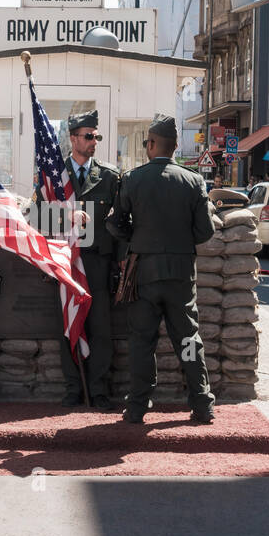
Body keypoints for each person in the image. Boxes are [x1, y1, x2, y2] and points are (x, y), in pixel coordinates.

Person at [112, 116, 215, 425]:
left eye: (146, 143)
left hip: (144, 274)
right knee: (187, 339)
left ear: (153, 144)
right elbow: (205, 231)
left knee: (142, 341)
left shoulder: (133, 178)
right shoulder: (193, 180)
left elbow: (115, 224)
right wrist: (180, 242)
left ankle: (137, 408)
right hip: (182, 275)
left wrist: (138, 238)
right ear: (174, 147)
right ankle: (201, 404)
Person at [59, 109, 124, 410]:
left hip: (98, 264)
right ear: (73, 139)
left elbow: (122, 223)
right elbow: (37, 217)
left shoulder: (109, 177)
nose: (93, 141)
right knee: (69, 326)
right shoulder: (54, 175)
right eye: (88, 136)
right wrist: (66, 216)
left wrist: (120, 262)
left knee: (101, 330)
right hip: (67, 263)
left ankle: (98, 390)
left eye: (96, 136)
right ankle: (74, 388)